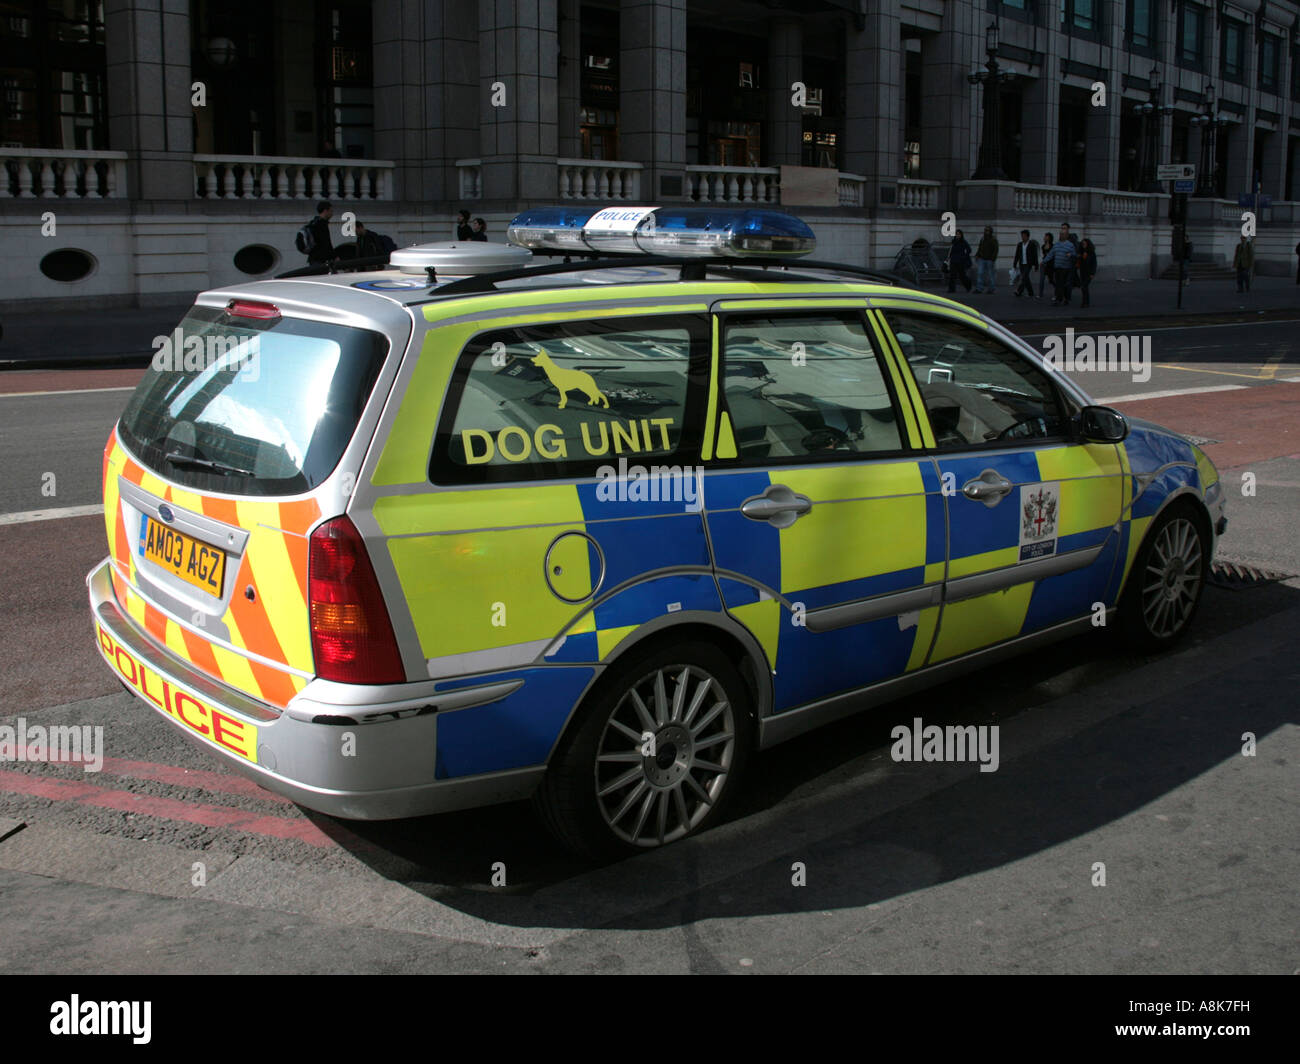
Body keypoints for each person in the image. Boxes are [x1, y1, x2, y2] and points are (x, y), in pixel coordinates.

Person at [1048, 224, 1078, 305]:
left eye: (1064, 228)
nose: (1063, 229)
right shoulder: (1061, 239)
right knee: (1059, 282)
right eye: (1062, 228)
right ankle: (1060, 297)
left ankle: (1065, 298)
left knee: (1066, 283)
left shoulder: (1072, 239)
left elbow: (1075, 251)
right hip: (1059, 264)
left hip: (1068, 265)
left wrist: (1071, 255)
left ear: (1068, 229)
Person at [303, 200, 336, 265]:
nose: (332, 214)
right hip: (320, 259)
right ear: (325, 211)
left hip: (313, 257)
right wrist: (334, 256)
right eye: (331, 211)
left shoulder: (313, 222)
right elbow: (326, 242)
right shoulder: (322, 224)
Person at [1012, 229, 1039, 298]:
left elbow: (1035, 255)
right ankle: (1031, 292)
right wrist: (1015, 263)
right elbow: (1017, 255)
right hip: (1022, 264)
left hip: (1028, 264)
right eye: (1022, 236)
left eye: (1024, 236)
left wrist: (1036, 265)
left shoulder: (1032, 244)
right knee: (1026, 278)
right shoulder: (1020, 245)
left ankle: (1019, 291)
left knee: (1024, 277)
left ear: (1027, 237)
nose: (1022, 237)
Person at [974, 225, 998, 293]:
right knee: (980, 273)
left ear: (990, 231)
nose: (986, 232)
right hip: (982, 259)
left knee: (990, 274)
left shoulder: (993, 239)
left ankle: (991, 288)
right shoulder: (982, 239)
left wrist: (993, 259)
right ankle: (979, 288)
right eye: (985, 230)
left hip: (989, 259)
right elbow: (980, 248)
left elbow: (996, 249)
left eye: (987, 230)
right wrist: (977, 255)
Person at [1077, 237, 1098, 308]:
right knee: (1084, 287)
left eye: (1085, 244)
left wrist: (1092, 273)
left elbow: (1094, 263)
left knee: (1084, 286)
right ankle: (1085, 302)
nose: (1084, 245)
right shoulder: (1081, 252)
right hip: (1082, 272)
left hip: (1089, 273)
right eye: (1083, 244)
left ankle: (1086, 302)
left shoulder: (1091, 253)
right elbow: (1079, 263)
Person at [1038, 232, 1054, 299]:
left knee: (1052, 280)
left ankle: (1056, 294)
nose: (1045, 237)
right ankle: (1040, 294)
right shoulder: (1043, 246)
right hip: (1044, 264)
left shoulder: (1053, 246)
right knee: (1041, 280)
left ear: (1049, 238)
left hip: (1050, 265)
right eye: (1045, 236)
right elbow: (1044, 255)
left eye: (1046, 236)